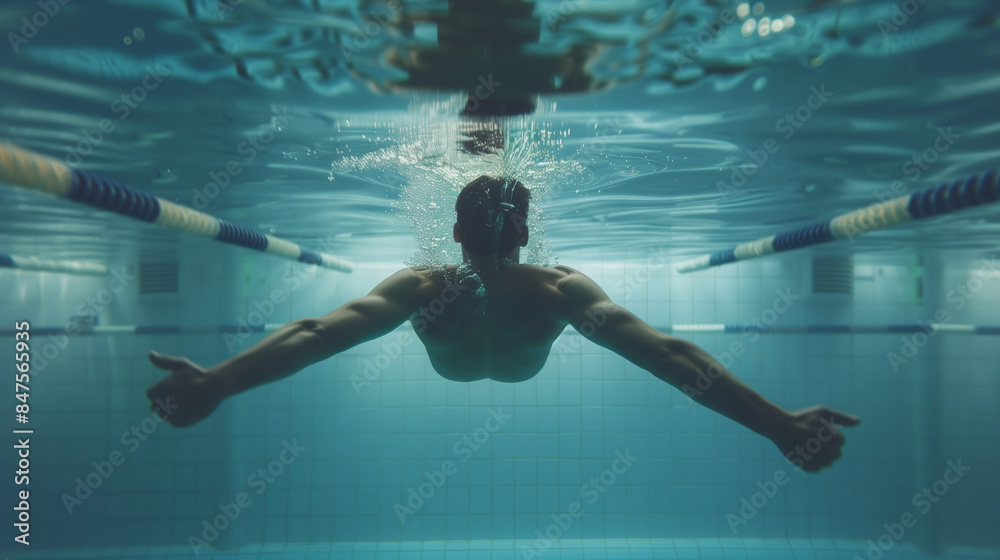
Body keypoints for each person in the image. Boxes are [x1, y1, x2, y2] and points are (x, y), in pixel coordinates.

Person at [147, 176, 859, 472]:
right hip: (521, 358)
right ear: (527, 231)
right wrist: (776, 425)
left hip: (457, 358)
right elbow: (667, 356)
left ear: (454, 233)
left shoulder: (425, 283)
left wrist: (217, 382)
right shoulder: (558, 289)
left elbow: (317, 334)